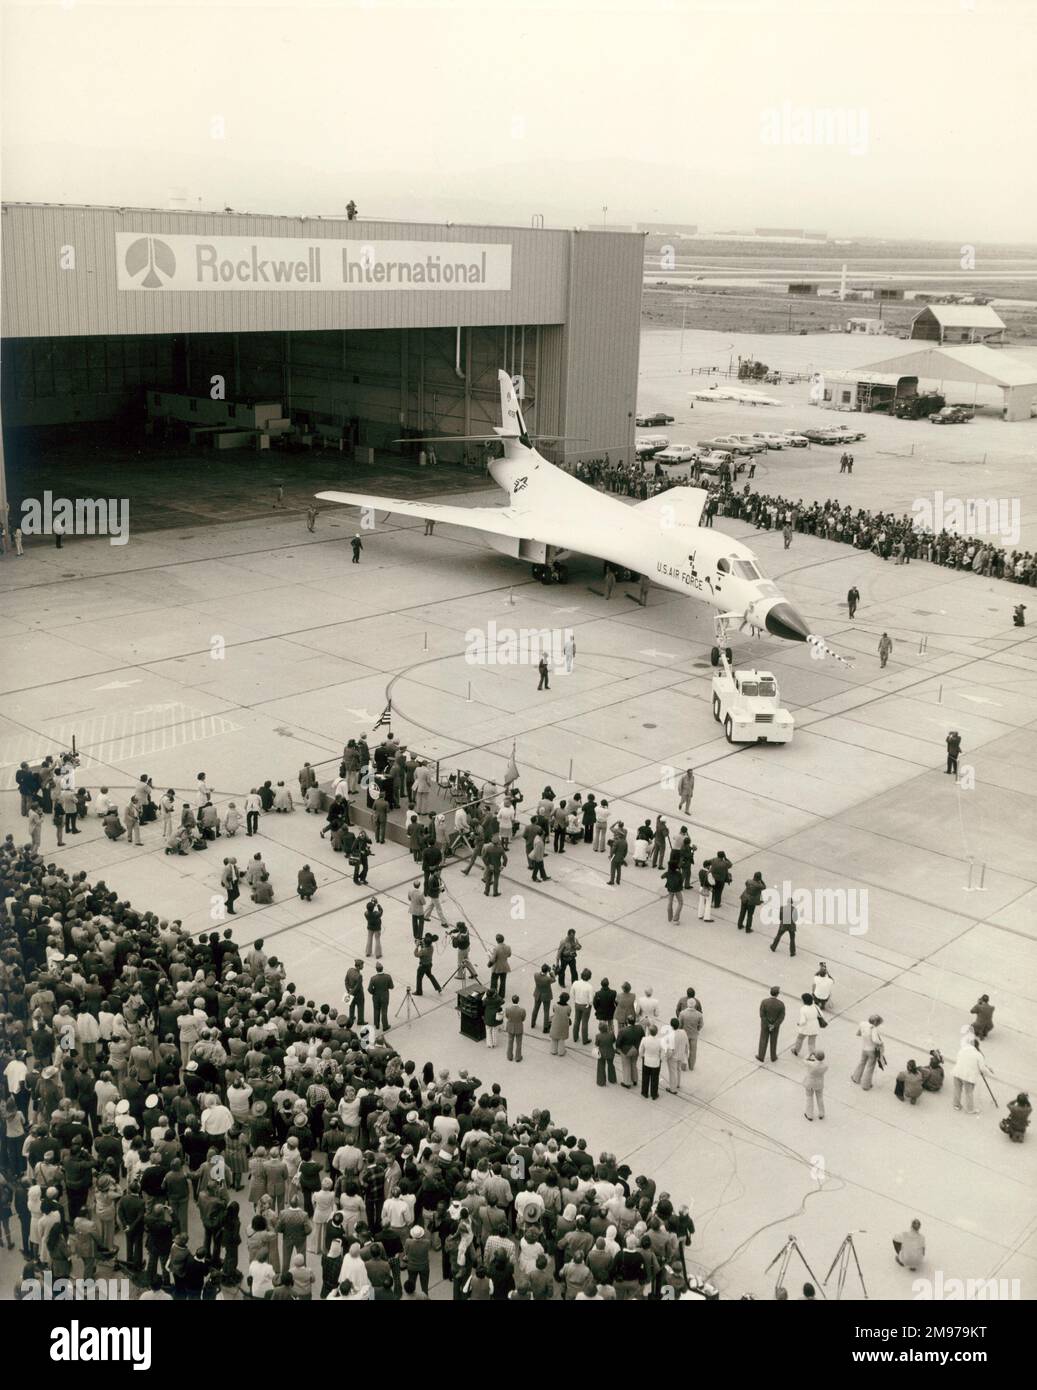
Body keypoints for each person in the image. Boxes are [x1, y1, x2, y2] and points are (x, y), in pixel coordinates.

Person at [951, 1037, 993, 1115]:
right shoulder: (978, 1055)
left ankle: (956, 1105)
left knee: (957, 1089)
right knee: (969, 1092)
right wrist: (988, 1072)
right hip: (968, 1076)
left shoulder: (962, 1050)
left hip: (957, 1072)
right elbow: (982, 1068)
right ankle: (969, 1109)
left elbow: (958, 1059)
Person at [850, 1015, 885, 1090]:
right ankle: (866, 1085)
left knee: (862, 1062)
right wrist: (881, 1043)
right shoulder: (873, 1028)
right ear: (876, 1022)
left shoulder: (862, 1024)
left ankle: (856, 1078)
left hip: (864, 1048)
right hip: (871, 1050)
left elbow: (858, 1033)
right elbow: (875, 1040)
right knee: (870, 1067)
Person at [756, 986, 785, 1063]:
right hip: (775, 1026)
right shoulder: (781, 1004)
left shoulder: (764, 1002)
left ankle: (761, 1056)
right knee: (774, 1040)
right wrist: (774, 1025)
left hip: (765, 1025)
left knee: (763, 1039)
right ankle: (773, 1057)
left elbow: (762, 1015)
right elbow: (781, 1017)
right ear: (777, 994)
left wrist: (768, 1024)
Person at [639, 1026, 663, 1100]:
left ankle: (644, 1092)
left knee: (645, 1077)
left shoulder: (644, 1039)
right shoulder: (660, 1041)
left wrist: (642, 1056)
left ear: (649, 1032)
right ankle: (654, 1094)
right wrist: (661, 1059)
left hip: (646, 1061)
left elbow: (641, 1049)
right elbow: (662, 1051)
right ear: (657, 1032)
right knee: (655, 1078)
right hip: (656, 1062)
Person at [367, 965, 393, 1033]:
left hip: (376, 996)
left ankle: (377, 1024)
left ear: (376, 969)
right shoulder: (388, 976)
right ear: (382, 969)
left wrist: (374, 993)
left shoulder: (373, 978)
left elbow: (369, 989)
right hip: (385, 996)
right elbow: (391, 986)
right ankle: (385, 1026)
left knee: (376, 1010)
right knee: (384, 1011)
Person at [802, 1050, 827, 1120]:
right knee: (820, 1098)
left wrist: (809, 1054)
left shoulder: (811, 1064)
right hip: (819, 1083)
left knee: (809, 1098)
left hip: (810, 1083)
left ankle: (809, 1114)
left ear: (816, 1056)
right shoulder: (825, 1066)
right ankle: (821, 1113)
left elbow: (804, 1060)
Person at [505, 996, 525, 1063]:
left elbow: (507, 1016)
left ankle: (509, 1056)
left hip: (510, 1027)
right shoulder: (522, 1010)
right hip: (519, 1027)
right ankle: (518, 1057)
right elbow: (523, 1019)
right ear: (518, 1000)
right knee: (519, 1043)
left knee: (510, 1042)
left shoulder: (508, 1009)